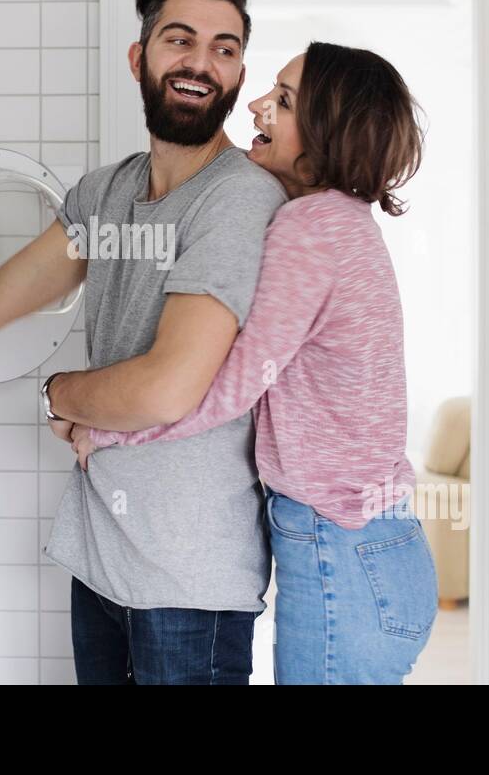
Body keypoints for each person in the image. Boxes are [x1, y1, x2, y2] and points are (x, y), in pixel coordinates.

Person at [0, 0, 285, 684]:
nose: (201, 63)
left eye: (225, 49)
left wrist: (59, 393)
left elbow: (166, 387)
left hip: (188, 584)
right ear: (139, 56)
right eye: (179, 39)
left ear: (240, 75)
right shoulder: (106, 193)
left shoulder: (239, 200)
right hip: (103, 558)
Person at [63, 43, 438, 684]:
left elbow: (233, 385)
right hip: (372, 549)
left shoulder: (309, 229)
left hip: (339, 551)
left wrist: (107, 429)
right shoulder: (340, 222)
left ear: (324, 140)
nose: (260, 104)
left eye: (284, 102)